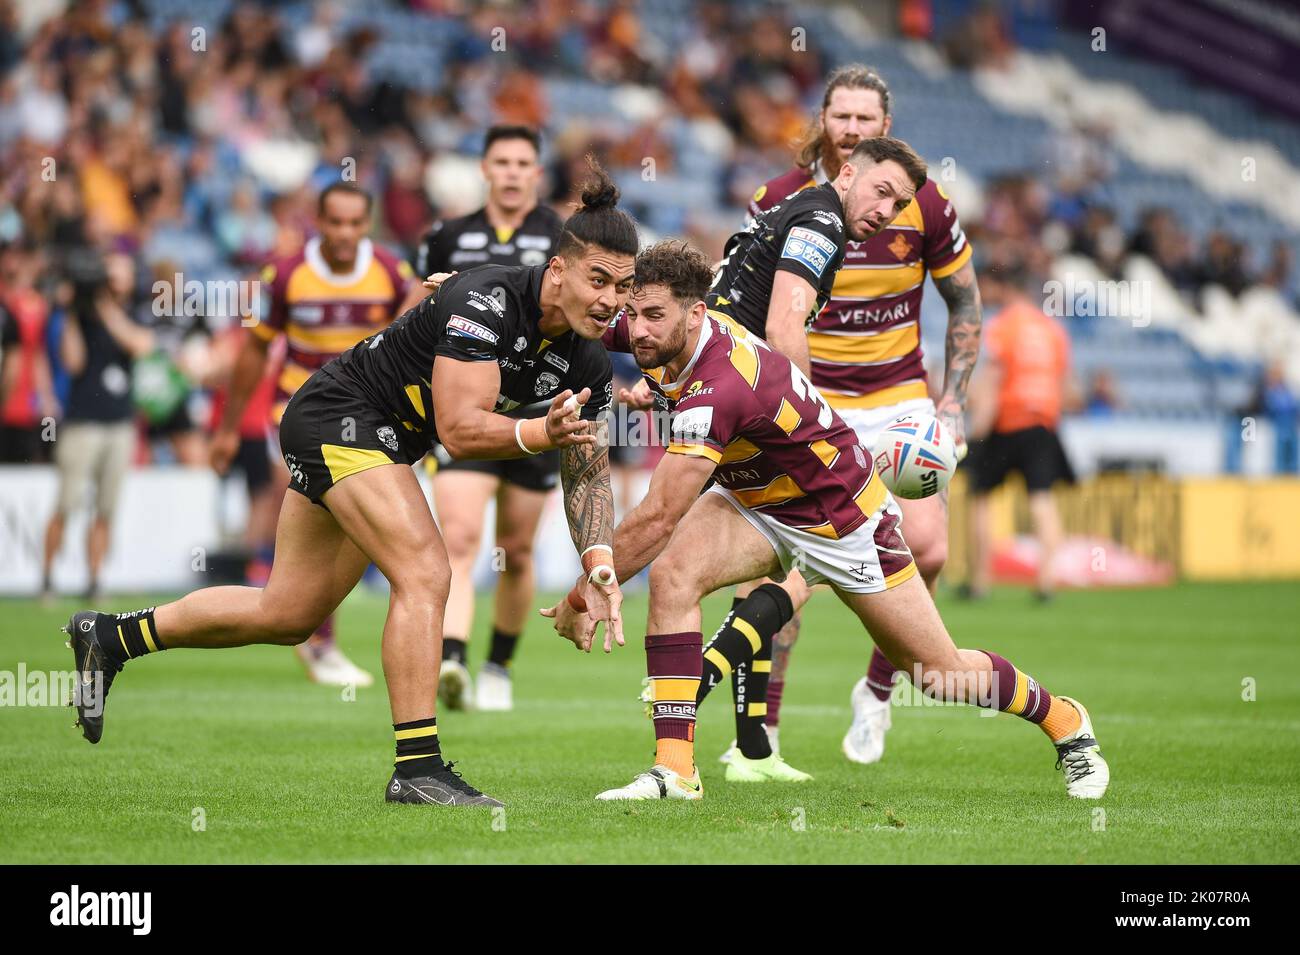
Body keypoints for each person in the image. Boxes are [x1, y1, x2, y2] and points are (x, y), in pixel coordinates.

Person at [64, 166, 635, 809]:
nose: (613, 299)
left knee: (287, 613)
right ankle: (417, 767)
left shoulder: (588, 356)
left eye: (624, 286)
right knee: (426, 573)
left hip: (375, 440)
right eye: (600, 280)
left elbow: (588, 468)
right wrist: (537, 433)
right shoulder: (487, 301)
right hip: (342, 416)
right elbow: (459, 428)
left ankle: (111, 636)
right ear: (558, 270)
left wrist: (599, 564)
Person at [543, 240, 1108, 802]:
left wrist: (578, 598)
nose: (636, 330)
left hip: (843, 517)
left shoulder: (720, 386)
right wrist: (466, 287)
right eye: (632, 314)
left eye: (652, 317)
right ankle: (676, 772)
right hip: (759, 502)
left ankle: (1065, 722)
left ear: (695, 314)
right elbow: (574, 309)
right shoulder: (663, 332)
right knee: (674, 575)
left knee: (937, 674)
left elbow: (658, 516)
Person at [718, 65, 982, 768]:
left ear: (883, 129)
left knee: (926, 549)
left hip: (898, 398)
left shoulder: (925, 202)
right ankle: (760, 734)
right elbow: (742, 301)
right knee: (779, 571)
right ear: (825, 122)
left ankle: (877, 690)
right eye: (841, 117)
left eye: (866, 119)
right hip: (808, 393)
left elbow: (964, 303)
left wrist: (952, 399)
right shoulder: (778, 198)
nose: (853, 130)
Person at [209, 182, 415, 688]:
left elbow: (408, 342)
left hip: (368, 415)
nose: (344, 233)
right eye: (335, 222)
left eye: (354, 223)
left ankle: (305, 624)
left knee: (347, 527)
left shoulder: (392, 272)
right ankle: (315, 634)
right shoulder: (282, 276)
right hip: (296, 411)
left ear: (367, 224)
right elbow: (254, 352)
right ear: (318, 224)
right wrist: (229, 428)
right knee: (328, 509)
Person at [403, 126, 566, 712]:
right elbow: (416, 311)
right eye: (503, 161)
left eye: (524, 162)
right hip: (465, 414)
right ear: (485, 169)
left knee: (517, 551)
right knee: (462, 538)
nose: (514, 172)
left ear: (537, 172)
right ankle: (453, 658)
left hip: (537, 416)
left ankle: (499, 663)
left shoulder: (560, 237)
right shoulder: (448, 235)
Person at [42, 252, 154, 601]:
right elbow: (72, 363)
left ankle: (93, 580)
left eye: (122, 275)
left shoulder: (133, 312)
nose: (116, 282)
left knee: (106, 508)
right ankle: (46, 579)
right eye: (111, 275)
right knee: (67, 503)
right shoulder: (81, 314)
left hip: (119, 424)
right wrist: (74, 311)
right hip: (83, 422)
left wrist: (105, 308)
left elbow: (140, 345)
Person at [964, 265, 1077, 601]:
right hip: (1042, 423)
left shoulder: (1003, 326)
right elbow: (1068, 388)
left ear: (1005, 288)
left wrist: (976, 433)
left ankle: (980, 581)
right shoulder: (1053, 330)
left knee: (980, 499)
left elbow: (993, 381)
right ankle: (1046, 581)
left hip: (1006, 421)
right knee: (1042, 499)